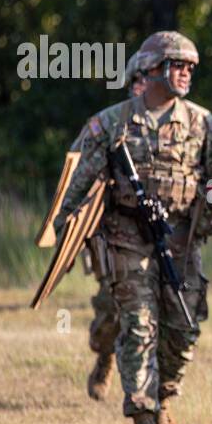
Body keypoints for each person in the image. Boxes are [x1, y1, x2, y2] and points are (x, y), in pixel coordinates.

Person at [54, 31, 212, 424]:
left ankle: (165, 397)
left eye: (189, 68)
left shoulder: (203, 124)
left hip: (182, 241)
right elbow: (75, 185)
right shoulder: (111, 123)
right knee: (139, 324)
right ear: (151, 70)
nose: (185, 74)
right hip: (127, 239)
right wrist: (65, 237)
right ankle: (143, 418)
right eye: (177, 65)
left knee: (183, 327)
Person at [82, 54, 146, 400]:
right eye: (137, 82)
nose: (142, 88)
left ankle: (151, 398)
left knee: (150, 317)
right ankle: (105, 355)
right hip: (114, 235)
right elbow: (80, 176)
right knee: (111, 312)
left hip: (155, 237)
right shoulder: (110, 125)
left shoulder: (176, 126)